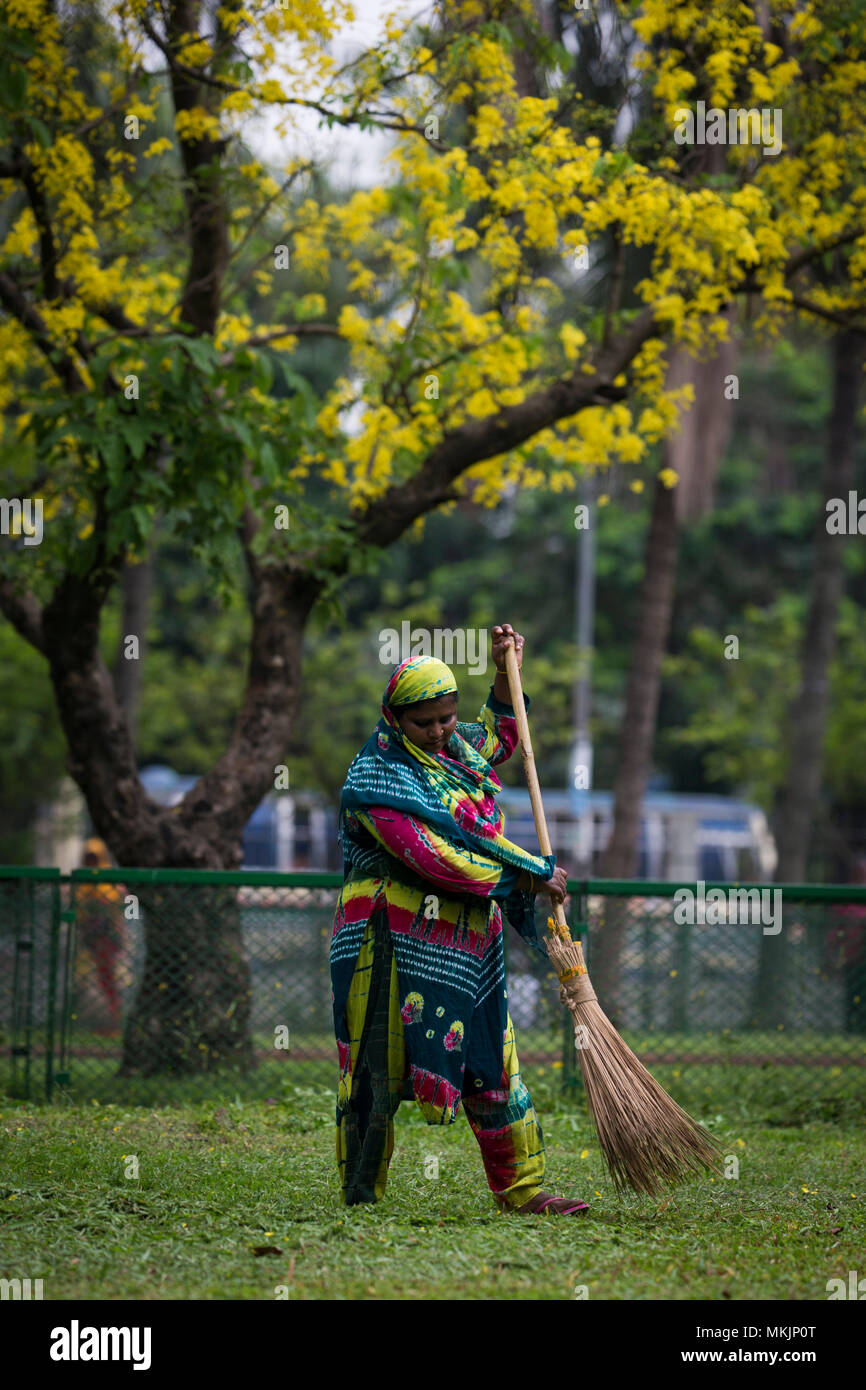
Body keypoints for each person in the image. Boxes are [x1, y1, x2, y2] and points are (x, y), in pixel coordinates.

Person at [330, 624, 589, 1216]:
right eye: (426, 723)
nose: (441, 731)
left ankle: (524, 1193)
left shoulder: (458, 752)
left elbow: (502, 735)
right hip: (386, 939)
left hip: (467, 941)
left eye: (447, 718)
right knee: (377, 1068)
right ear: (393, 717)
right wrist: (525, 873)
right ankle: (362, 1197)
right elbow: (432, 858)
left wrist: (505, 668)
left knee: (492, 1061)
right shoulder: (375, 780)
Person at [76, 837, 127, 1033]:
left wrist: (125, 921)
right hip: (89, 938)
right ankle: (103, 1021)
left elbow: (129, 906)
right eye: (88, 858)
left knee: (110, 980)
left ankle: (115, 1020)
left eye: (94, 858)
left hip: (108, 938)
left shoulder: (111, 883)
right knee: (94, 981)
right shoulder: (82, 882)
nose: (91, 862)